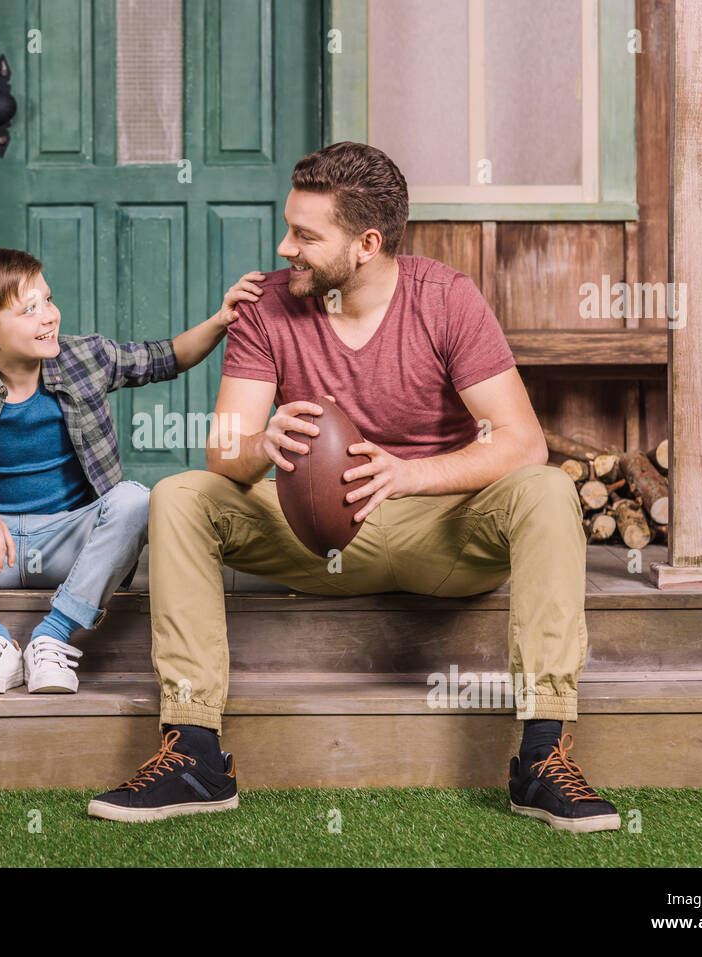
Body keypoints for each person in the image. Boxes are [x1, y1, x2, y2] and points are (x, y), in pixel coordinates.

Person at [88, 142, 619, 832]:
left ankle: (542, 756)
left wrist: (409, 474)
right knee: (181, 495)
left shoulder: (446, 298)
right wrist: (259, 445)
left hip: (441, 533)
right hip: (315, 534)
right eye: (288, 228)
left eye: (305, 235)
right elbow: (224, 452)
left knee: (546, 489)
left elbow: (522, 441)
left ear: (367, 244)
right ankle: (194, 754)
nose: (285, 248)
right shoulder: (267, 306)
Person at [0, 247, 258, 695]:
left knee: (135, 498)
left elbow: (168, 357)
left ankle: (52, 638)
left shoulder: (85, 357)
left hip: (70, 547)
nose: (49, 315)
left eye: (48, 300)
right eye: (29, 309)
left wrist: (221, 320)